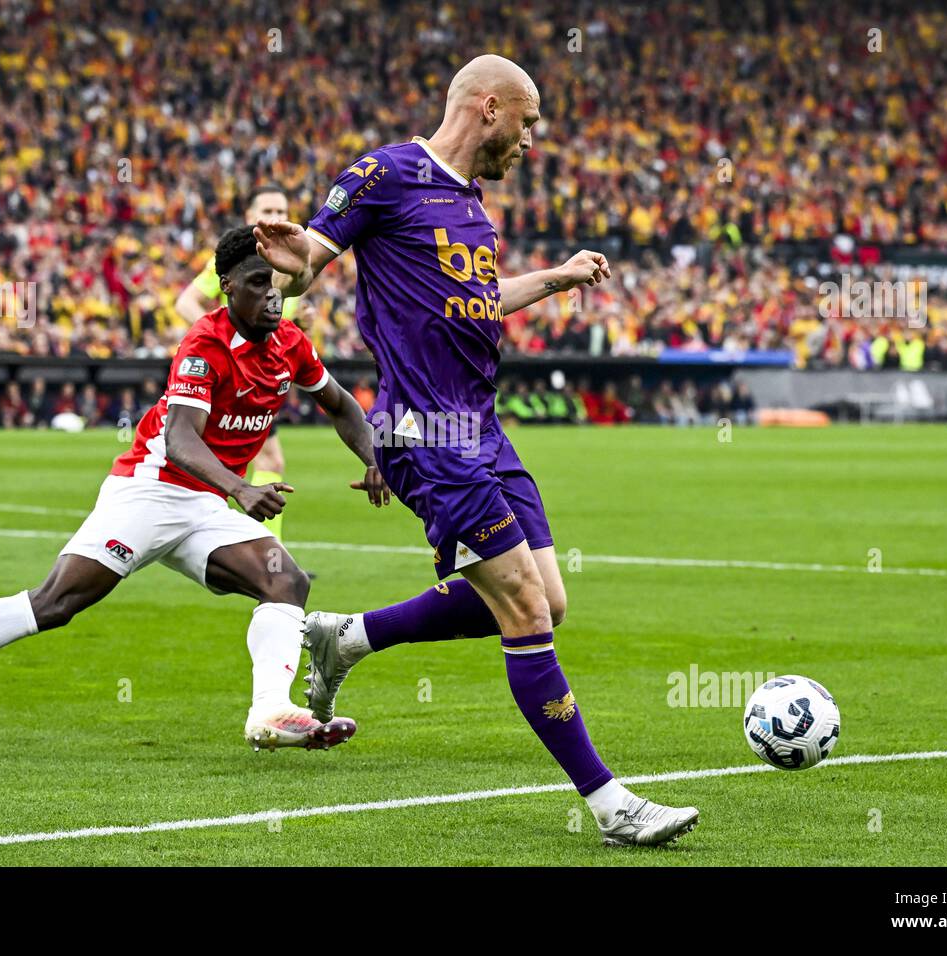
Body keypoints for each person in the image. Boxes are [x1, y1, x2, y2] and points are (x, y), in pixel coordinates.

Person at [254, 54, 697, 847]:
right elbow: (308, 260)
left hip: (482, 428)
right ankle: (610, 804)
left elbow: (479, 304)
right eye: (528, 124)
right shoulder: (384, 173)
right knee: (525, 609)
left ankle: (345, 636)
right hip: (428, 434)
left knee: (549, 599)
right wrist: (289, 269)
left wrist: (556, 279)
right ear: (489, 108)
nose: (532, 142)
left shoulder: (470, 202)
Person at [0, 227, 391, 761]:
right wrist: (240, 488)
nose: (271, 295)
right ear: (226, 285)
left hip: (203, 506)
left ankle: (269, 711)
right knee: (54, 604)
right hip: (148, 492)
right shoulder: (204, 343)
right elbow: (178, 440)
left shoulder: (290, 345)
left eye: (277, 284)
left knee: (284, 580)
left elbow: (341, 405)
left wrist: (373, 460)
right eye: (255, 282)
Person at [176, 185, 299, 544]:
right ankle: (263, 550)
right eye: (268, 210)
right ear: (250, 217)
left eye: (282, 210)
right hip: (232, 377)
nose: (277, 217)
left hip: (264, 375)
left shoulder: (287, 262)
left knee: (261, 461)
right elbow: (186, 303)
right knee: (268, 461)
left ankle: (253, 547)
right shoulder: (238, 261)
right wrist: (227, 345)